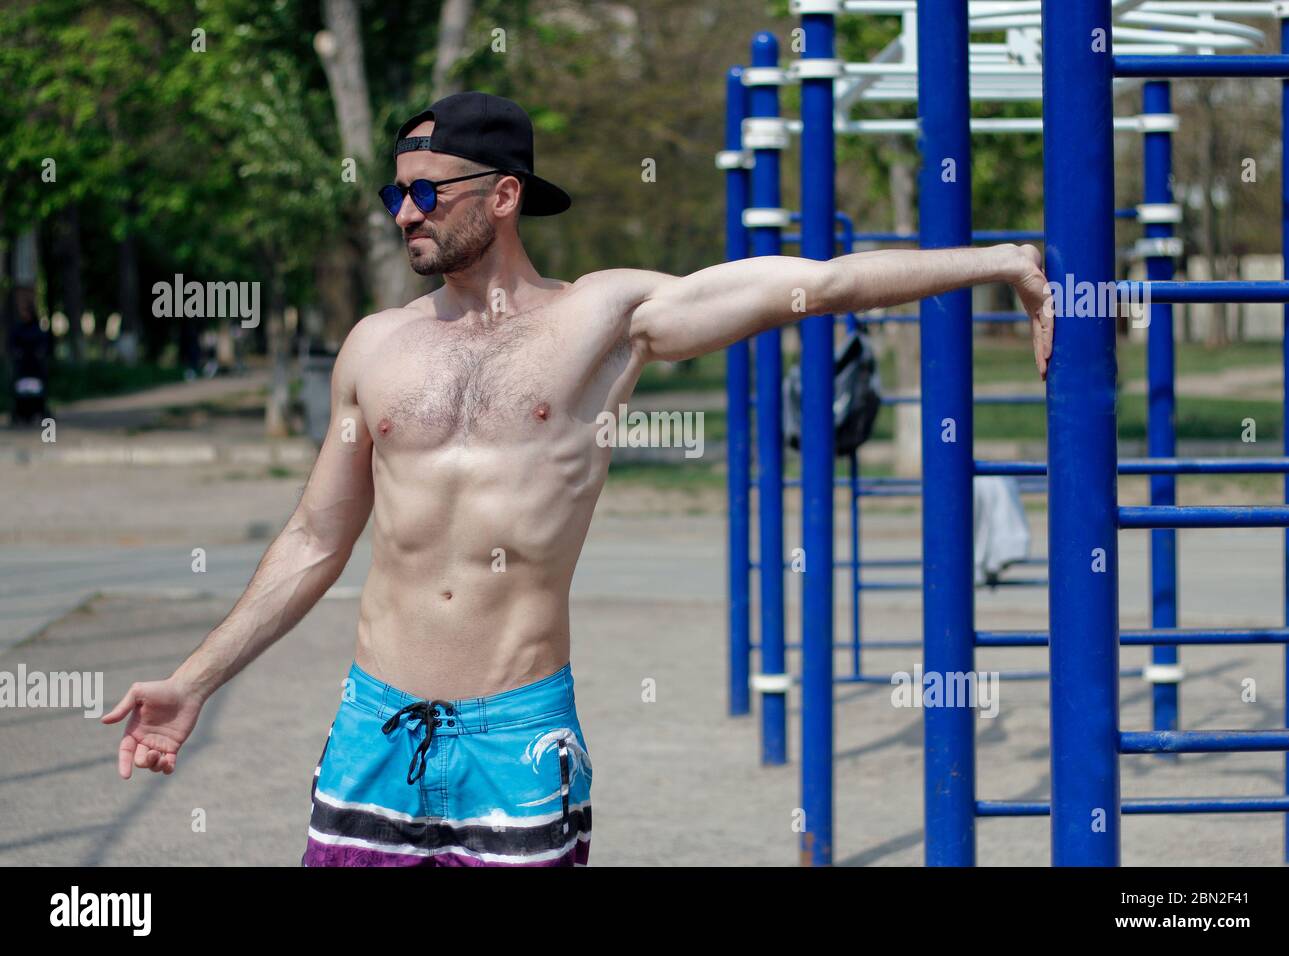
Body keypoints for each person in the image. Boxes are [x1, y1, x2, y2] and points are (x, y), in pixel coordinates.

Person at [103, 91, 1055, 867]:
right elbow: (315, 541)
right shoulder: (375, 346)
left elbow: (827, 280)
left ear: (504, 194)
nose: (404, 214)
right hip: (373, 728)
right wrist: (193, 682)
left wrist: (1002, 261)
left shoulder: (605, 319)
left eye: (427, 194)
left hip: (518, 734)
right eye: (397, 194)